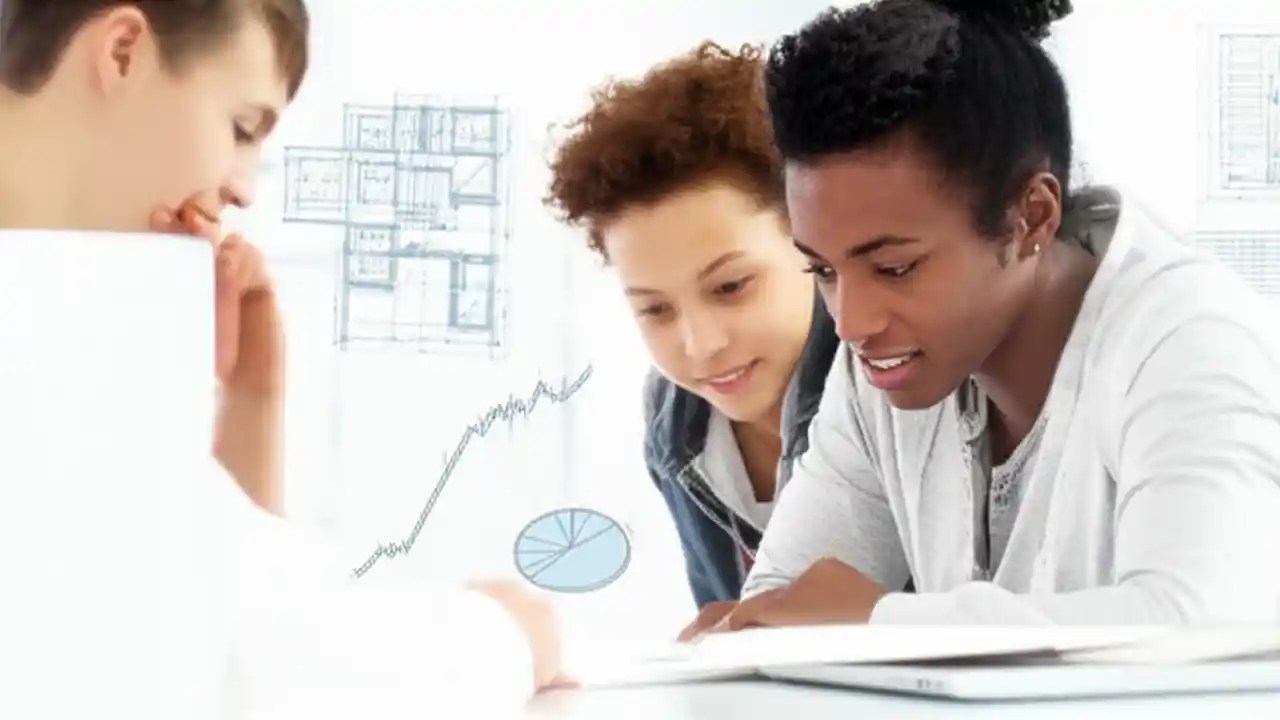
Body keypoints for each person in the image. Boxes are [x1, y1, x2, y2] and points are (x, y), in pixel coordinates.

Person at [0, 0, 565, 711]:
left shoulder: (57, 307)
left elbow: (206, 607)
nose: (241, 187)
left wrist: (251, 396)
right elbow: (258, 670)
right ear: (121, 52)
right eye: (241, 128)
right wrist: (502, 638)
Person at [683, 0, 1280, 636]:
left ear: (1032, 217)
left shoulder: (1191, 341)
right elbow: (781, 608)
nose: (851, 322)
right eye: (823, 270)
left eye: (895, 268)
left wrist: (881, 621)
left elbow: (1212, 627)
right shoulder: (884, 366)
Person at [544, 42, 840, 612]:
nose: (701, 345)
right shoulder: (676, 422)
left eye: (730, 287)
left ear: (811, 240)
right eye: (655, 310)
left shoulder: (898, 388)